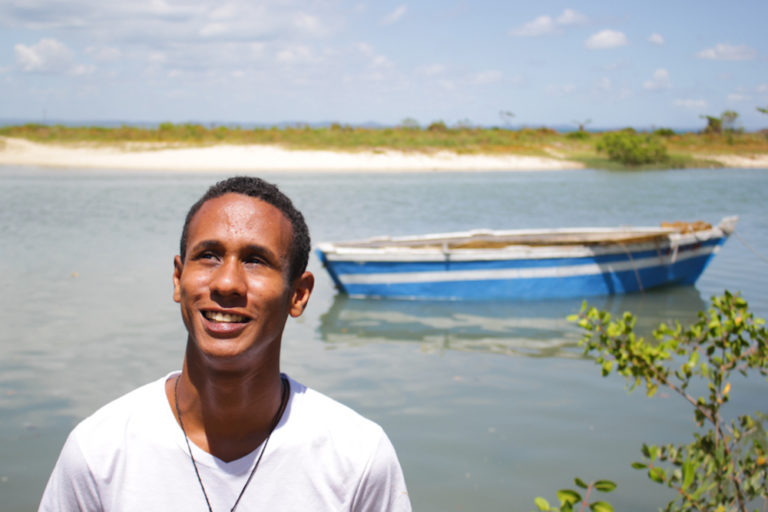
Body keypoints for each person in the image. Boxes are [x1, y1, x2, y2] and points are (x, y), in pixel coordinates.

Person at [39, 176, 411, 511]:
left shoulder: (357, 458)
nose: (227, 283)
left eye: (254, 260)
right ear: (177, 278)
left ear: (298, 295)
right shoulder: (99, 453)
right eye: (209, 256)